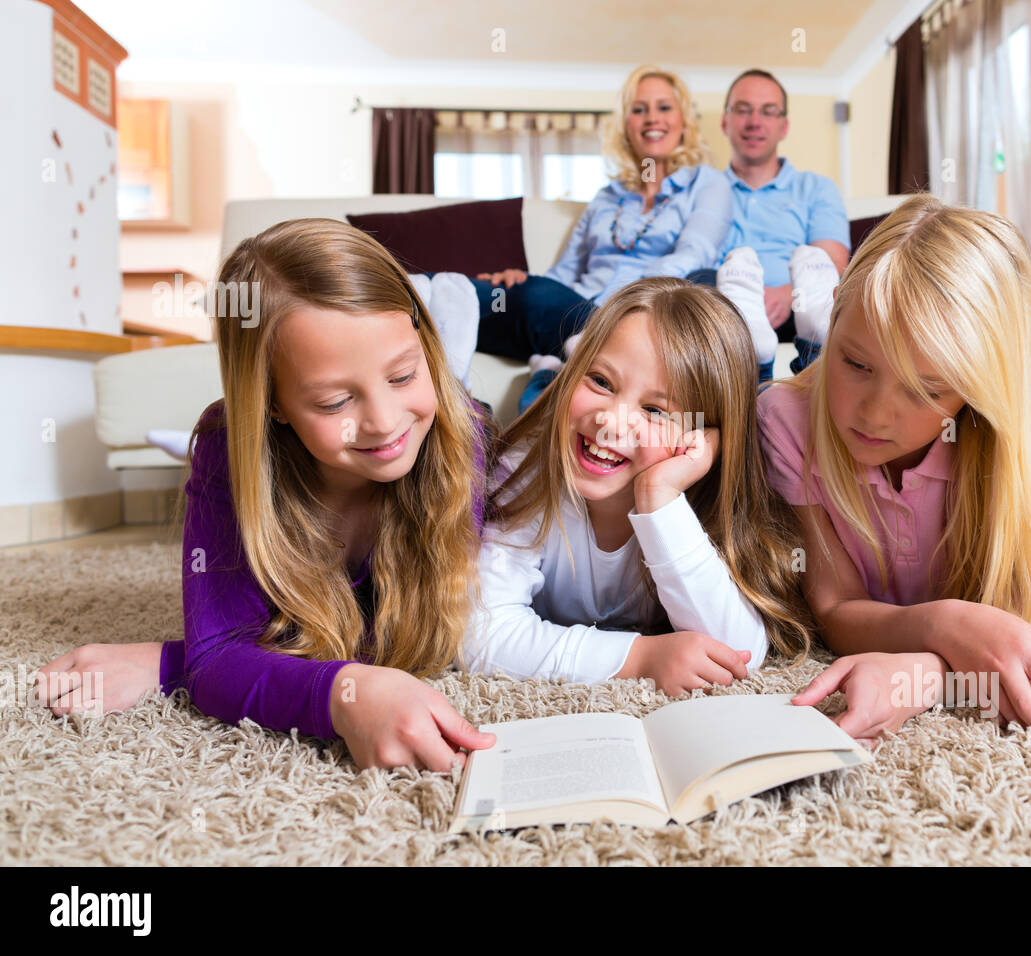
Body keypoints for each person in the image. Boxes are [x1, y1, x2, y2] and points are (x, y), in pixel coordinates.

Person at [35, 219, 497, 772]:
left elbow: (417, 639)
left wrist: (181, 662)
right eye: (333, 403)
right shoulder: (227, 448)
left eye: (402, 376)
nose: (384, 421)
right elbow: (233, 654)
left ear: (426, 347)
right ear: (271, 404)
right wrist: (341, 694)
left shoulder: (459, 433)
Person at [760, 195, 1031, 745]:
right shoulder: (786, 419)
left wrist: (927, 674)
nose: (874, 413)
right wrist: (942, 627)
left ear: (979, 388)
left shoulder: (1003, 444)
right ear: (834, 316)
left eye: (925, 390)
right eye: (856, 363)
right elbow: (835, 607)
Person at [461, 277, 815, 693]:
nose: (611, 420)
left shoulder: (698, 503)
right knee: (536, 412)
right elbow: (478, 636)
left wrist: (660, 497)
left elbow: (739, 653)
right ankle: (547, 374)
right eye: (601, 381)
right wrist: (641, 656)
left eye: (654, 410)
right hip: (548, 432)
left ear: (701, 438)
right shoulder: (527, 470)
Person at [469, 65, 733, 383]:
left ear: (684, 122)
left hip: (640, 314)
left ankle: (569, 359)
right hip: (573, 312)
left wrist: (619, 304)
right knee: (503, 294)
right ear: (626, 125)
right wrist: (527, 281)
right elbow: (565, 272)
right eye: (639, 109)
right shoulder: (606, 197)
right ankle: (415, 293)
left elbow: (695, 253)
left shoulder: (707, 183)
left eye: (664, 107)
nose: (652, 118)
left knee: (703, 280)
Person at [687, 69, 852, 379]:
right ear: (725, 121)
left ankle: (807, 343)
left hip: (795, 307)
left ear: (784, 126)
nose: (754, 122)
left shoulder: (816, 188)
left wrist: (788, 295)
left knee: (819, 287)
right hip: (717, 307)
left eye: (768, 111)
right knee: (699, 279)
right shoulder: (702, 191)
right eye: (743, 110)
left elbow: (833, 260)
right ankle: (747, 327)